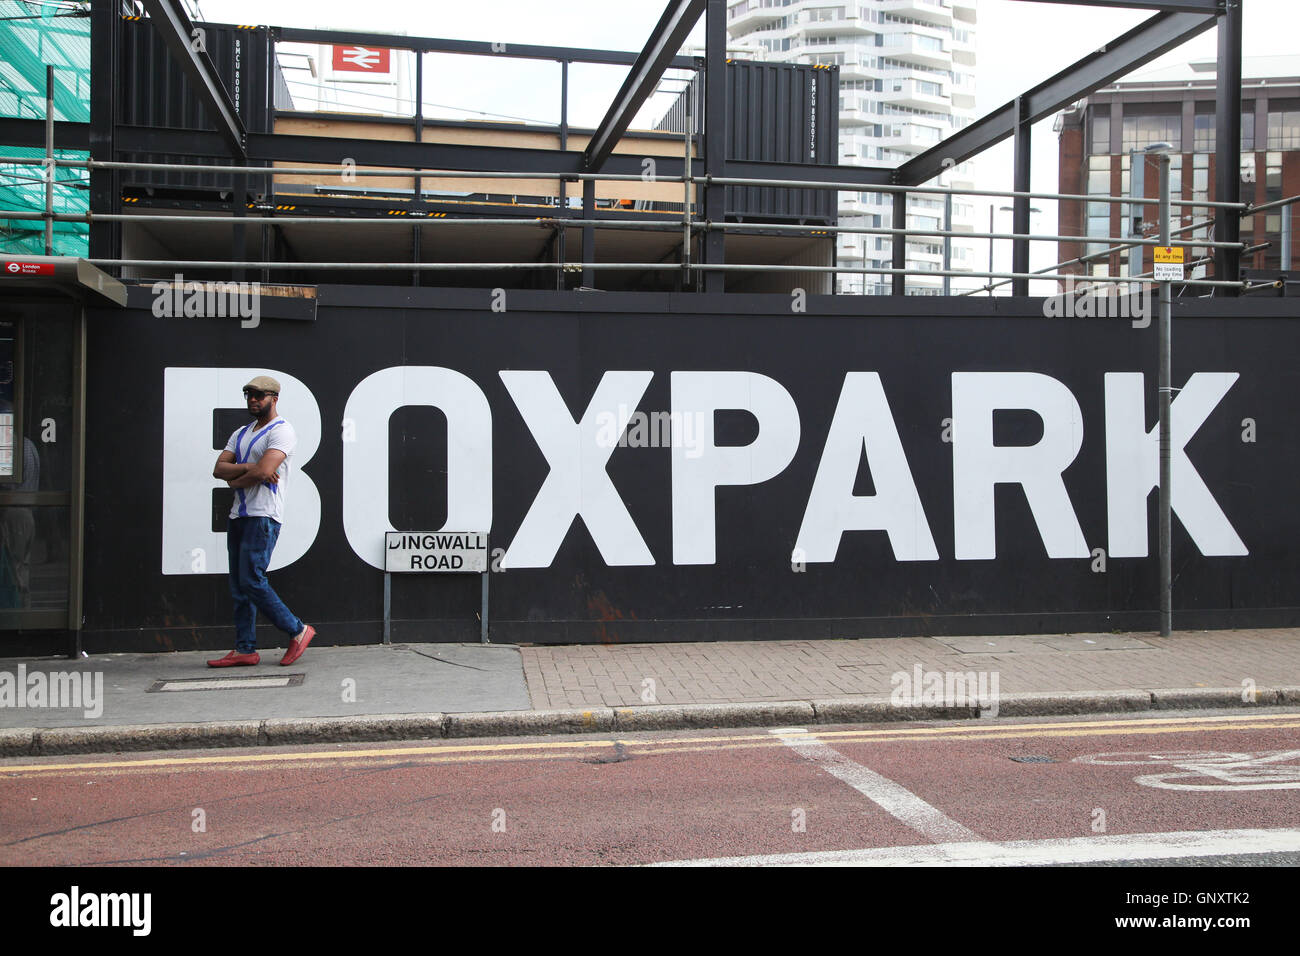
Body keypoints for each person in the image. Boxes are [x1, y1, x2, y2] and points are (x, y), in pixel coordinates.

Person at [208, 375, 316, 667]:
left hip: (264, 515)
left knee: (251, 579)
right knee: (238, 586)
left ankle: (298, 630)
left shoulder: (283, 431)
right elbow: (219, 469)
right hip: (239, 516)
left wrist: (237, 479)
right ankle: (245, 649)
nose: (253, 400)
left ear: (274, 399)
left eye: (259, 395)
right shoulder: (240, 433)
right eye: (249, 395)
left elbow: (263, 471)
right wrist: (249, 468)